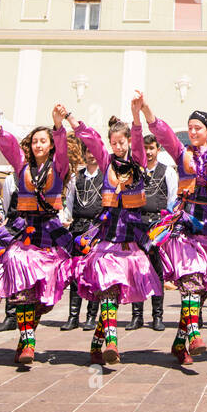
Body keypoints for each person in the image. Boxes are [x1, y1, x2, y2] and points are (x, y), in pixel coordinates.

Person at [141, 92, 207, 364]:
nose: (192, 131)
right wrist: (147, 110)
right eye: (189, 128)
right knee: (191, 280)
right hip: (187, 222)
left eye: (197, 127)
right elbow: (164, 135)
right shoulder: (182, 153)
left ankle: (179, 343)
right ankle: (196, 334)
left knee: (199, 290)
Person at [72, 99, 163, 365]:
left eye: (121, 142)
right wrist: (69, 118)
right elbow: (91, 140)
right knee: (108, 288)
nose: (117, 146)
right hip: (109, 234)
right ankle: (111, 339)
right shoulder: (106, 162)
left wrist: (136, 116)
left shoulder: (138, 161)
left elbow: (137, 138)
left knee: (117, 291)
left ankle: (99, 340)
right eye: (114, 143)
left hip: (132, 235)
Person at [0, 105, 76, 365]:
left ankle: (27, 333)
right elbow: (9, 146)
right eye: (35, 141)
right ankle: (28, 342)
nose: (38, 145)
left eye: (43, 141)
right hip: (24, 231)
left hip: (50, 231)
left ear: (50, 146)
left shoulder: (58, 168)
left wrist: (59, 126)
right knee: (23, 289)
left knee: (44, 296)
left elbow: (63, 154)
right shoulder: (21, 166)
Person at [126, 134, 174, 331]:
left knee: (156, 271)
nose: (148, 152)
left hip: (157, 226)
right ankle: (137, 316)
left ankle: (157, 317)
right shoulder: (134, 172)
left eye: (151, 148)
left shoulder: (167, 171)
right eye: (145, 148)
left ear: (158, 149)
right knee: (137, 270)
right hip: (137, 223)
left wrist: (167, 226)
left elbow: (172, 199)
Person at [62, 140, 104, 332]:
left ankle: (91, 316)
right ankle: (73, 316)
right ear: (84, 154)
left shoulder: (105, 177)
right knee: (75, 273)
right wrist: (67, 219)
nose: (91, 155)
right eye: (88, 151)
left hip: (96, 229)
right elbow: (69, 203)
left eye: (94, 151)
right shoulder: (75, 178)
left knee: (93, 273)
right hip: (77, 228)